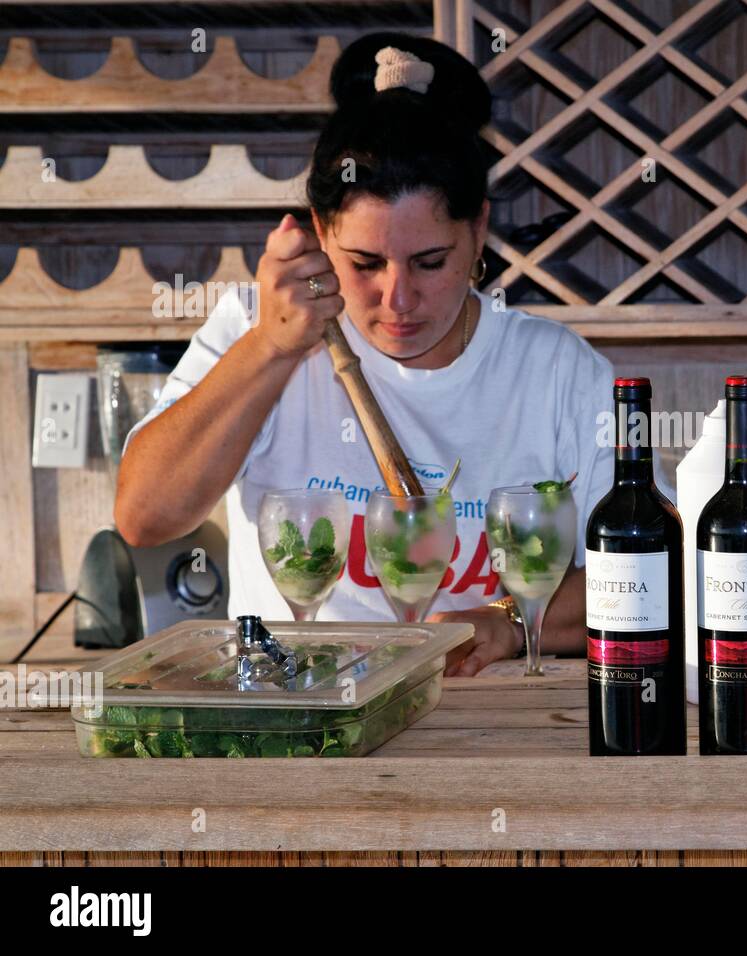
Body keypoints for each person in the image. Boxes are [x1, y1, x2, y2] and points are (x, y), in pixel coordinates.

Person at [115, 33, 613, 676]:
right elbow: (146, 518)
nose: (397, 298)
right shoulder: (255, 327)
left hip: (496, 728)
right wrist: (272, 347)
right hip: (295, 720)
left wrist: (506, 622)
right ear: (320, 233)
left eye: (430, 262)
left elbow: (653, 566)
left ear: (480, 230)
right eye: (365, 263)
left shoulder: (556, 371)